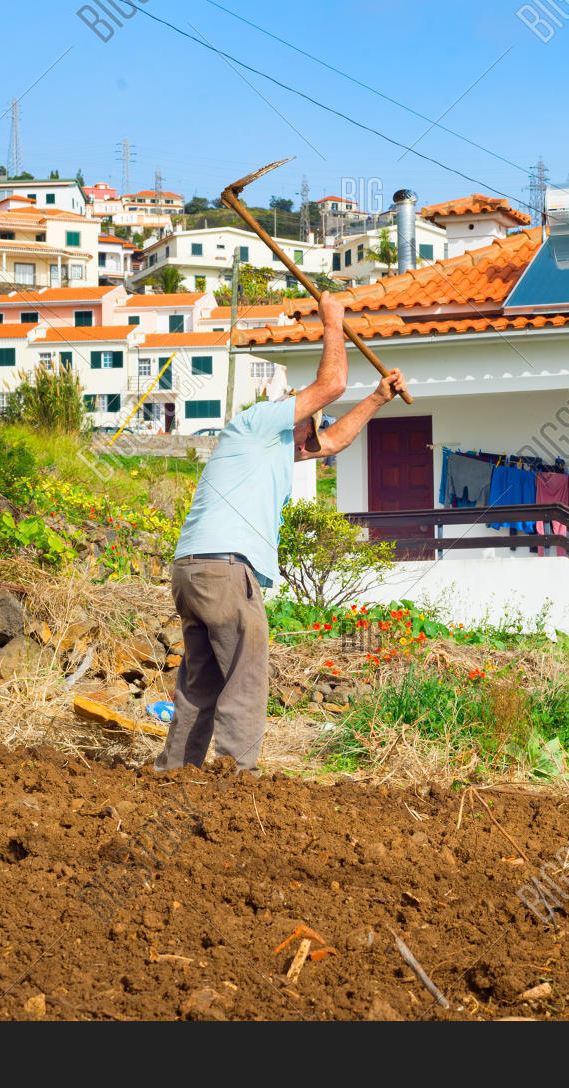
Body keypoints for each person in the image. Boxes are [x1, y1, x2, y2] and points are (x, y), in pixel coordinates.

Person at [154, 293, 407, 777]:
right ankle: (237, 772)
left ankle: (174, 769)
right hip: (226, 569)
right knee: (246, 674)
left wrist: (377, 398)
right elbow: (331, 383)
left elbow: (336, 440)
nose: (313, 438)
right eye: (308, 424)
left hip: (192, 572)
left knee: (201, 679)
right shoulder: (258, 424)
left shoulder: (265, 449)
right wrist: (332, 322)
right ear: (293, 417)